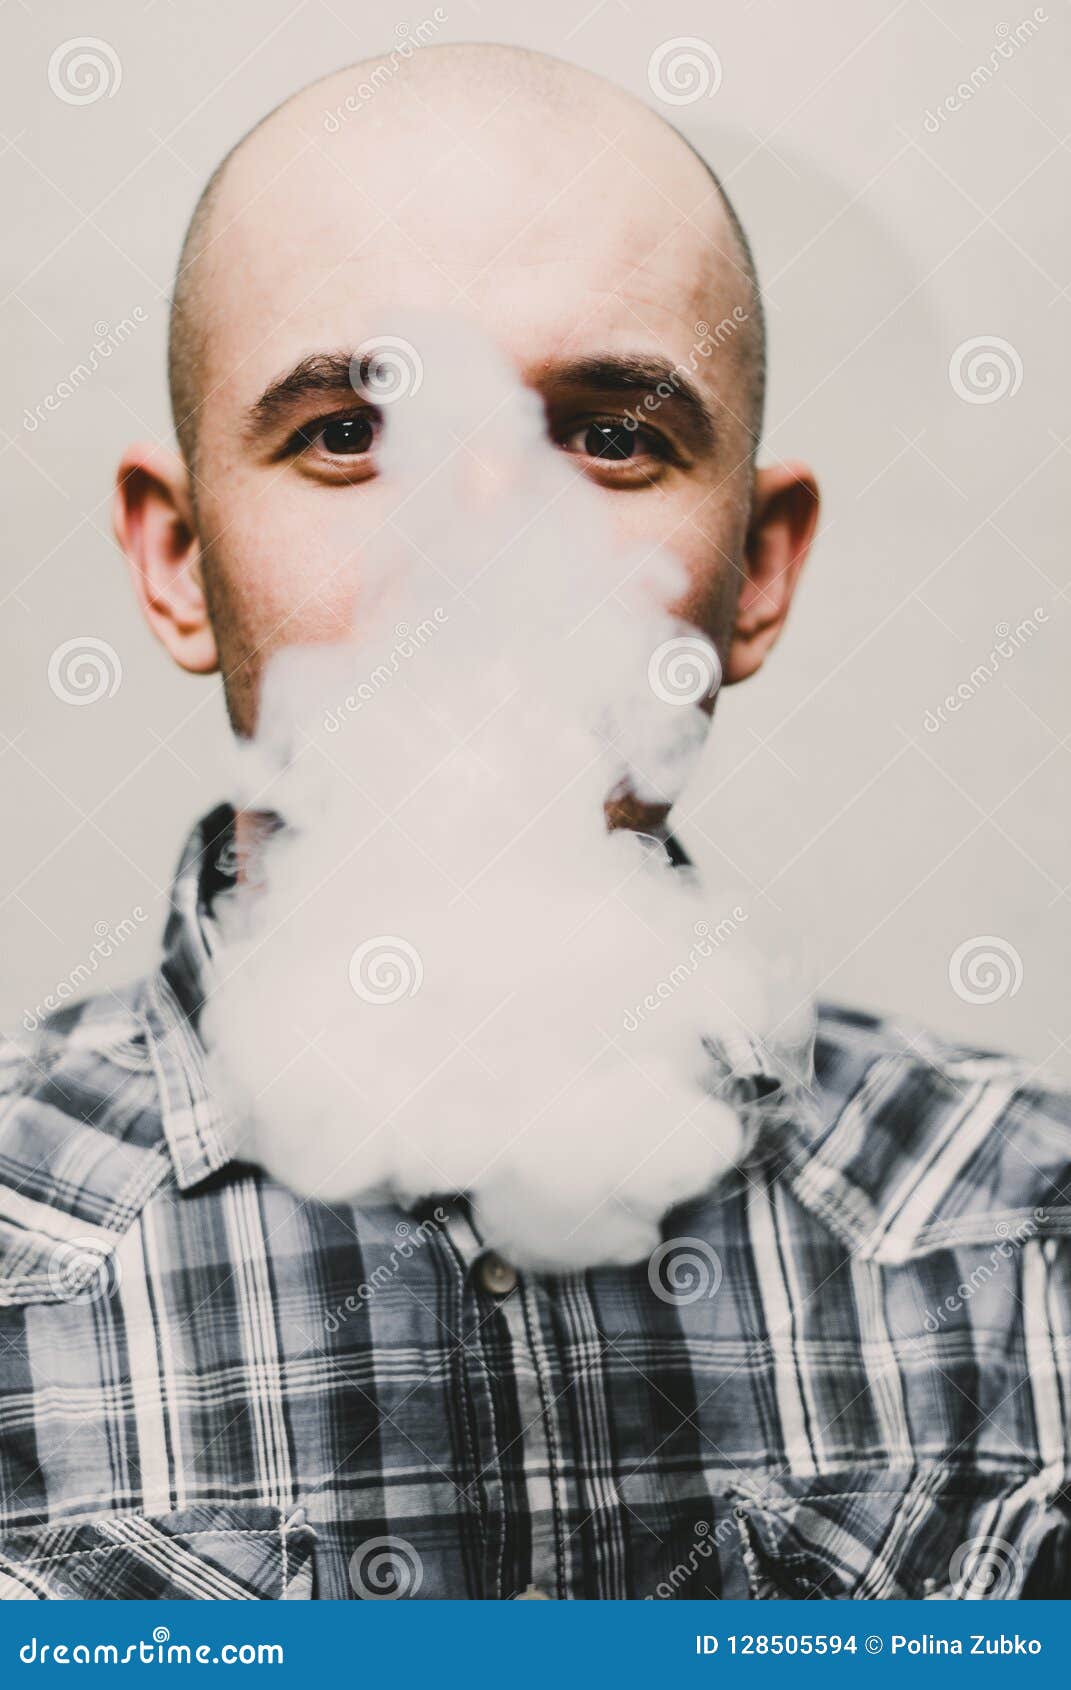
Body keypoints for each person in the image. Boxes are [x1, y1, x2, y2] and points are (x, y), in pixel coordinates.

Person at [1, 43, 1066, 1602]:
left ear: (757, 569)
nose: (478, 547)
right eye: (350, 434)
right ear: (175, 561)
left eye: (611, 432)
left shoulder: (1031, 1240)